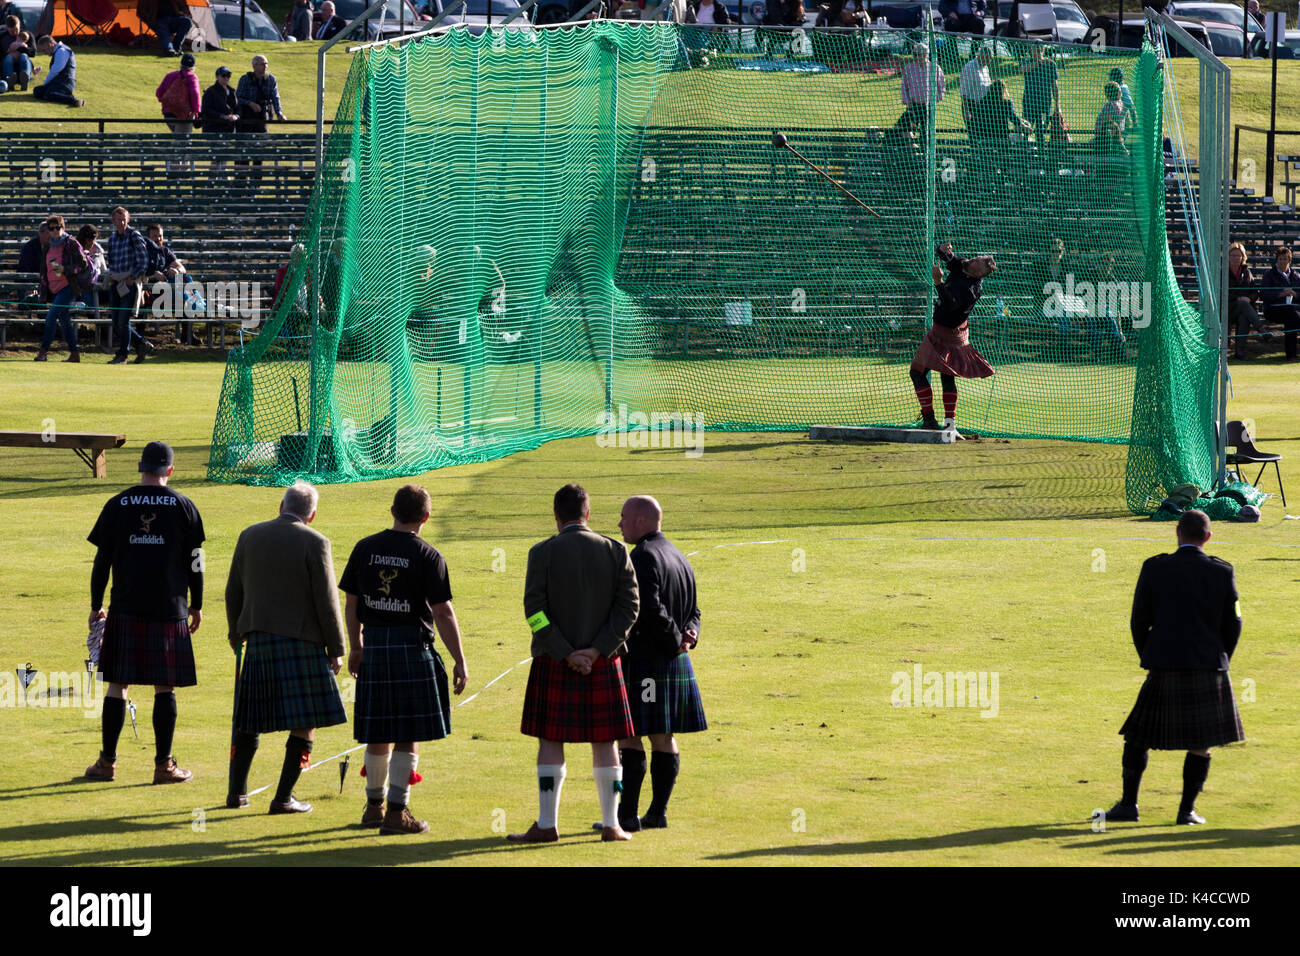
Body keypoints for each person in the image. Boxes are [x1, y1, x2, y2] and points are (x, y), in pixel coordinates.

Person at [508, 483, 640, 844]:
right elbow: (630, 608)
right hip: (603, 663)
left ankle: (547, 824)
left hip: (554, 661)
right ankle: (612, 825)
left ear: (556, 514)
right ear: (588, 513)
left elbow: (534, 612)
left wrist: (564, 652)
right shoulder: (615, 550)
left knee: (550, 739)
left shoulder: (542, 553)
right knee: (606, 742)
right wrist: (597, 651)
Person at [1096, 510, 1243, 826]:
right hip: (1208, 666)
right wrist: (1221, 659)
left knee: (1138, 737)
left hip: (1164, 664)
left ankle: (1129, 806)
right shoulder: (1222, 571)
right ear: (1208, 537)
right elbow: (1234, 623)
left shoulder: (1155, 568)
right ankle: (1186, 811)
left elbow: (1138, 620)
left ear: (1177, 532)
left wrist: (1150, 656)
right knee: (1200, 742)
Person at [341, 484, 469, 836]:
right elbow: (442, 612)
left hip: (375, 647)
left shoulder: (365, 548)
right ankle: (396, 814)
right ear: (426, 517)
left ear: (392, 511)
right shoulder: (428, 555)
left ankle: (374, 808)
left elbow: (352, 604)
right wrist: (459, 659)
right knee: (408, 731)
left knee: (379, 729)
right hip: (412, 648)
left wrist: (356, 646)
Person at [84, 441, 204, 786]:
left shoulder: (117, 503)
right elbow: (196, 562)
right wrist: (196, 604)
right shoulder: (184, 506)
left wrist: (96, 604)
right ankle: (163, 766)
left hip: (125, 607)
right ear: (170, 470)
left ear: (140, 466)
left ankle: (107, 763)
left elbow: (101, 561)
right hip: (169, 608)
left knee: (117, 684)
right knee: (165, 685)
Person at [225, 480, 349, 814]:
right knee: (305, 720)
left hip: (258, 641)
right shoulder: (316, 541)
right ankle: (283, 798)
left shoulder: (249, 535)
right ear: (312, 515)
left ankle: (237, 794)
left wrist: (236, 634)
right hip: (302, 643)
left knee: (249, 719)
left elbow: (233, 590)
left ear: (281, 506)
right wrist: (336, 648)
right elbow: (327, 601)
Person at [608, 496, 705, 832]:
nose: (619, 524)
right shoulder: (678, 555)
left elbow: (649, 608)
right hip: (674, 660)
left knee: (629, 735)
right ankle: (657, 814)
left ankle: (626, 817)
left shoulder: (643, 556)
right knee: (663, 736)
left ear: (641, 520)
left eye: (623, 517)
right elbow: (695, 610)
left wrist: (676, 638)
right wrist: (690, 634)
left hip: (647, 661)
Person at [909, 242, 996, 431]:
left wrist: (938, 281)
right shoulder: (964, 265)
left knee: (924, 373)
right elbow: (949, 258)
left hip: (950, 334)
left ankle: (938, 423)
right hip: (942, 330)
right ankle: (939, 423)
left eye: (978, 261)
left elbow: (950, 305)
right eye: (978, 257)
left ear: (979, 273)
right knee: (934, 375)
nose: (974, 259)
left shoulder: (971, 290)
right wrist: (942, 249)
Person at [35, 214, 89, 363]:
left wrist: (66, 269)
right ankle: (74, 353)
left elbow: (83, 264)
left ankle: (43, 352)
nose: (54, 231)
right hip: (53, 288)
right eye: (51, 228)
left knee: (51, 317)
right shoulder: (48, 245)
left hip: (68, 286)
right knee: (65, 322)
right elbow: (44, 268)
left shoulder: (71, 243)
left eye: (57, 227)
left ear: (63, 227)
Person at [105, 206, 152, 364]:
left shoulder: (134, 235)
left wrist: (133, 277)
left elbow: (143, 260)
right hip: (116, 283)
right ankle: (142, 344)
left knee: (123, 321)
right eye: (118, 219)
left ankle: (123, 355)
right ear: (113, 221)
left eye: (123, 219)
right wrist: (112, 276)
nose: (121, 222)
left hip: (129, 283)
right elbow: (111, 260)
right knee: (116, 322)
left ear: (128, 220)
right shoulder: (112, 238)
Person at [1259, 245, 1300, 361]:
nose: (1282, 261)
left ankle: (1291, 355)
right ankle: (1291, 355)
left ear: (1289, 261)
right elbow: (1263, 295)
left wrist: (1295, 294)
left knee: (1292, 318)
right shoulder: (1269, 275)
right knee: (1293, 316)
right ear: (1276, 260)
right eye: (1280, 259)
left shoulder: (1296, 276)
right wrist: (1280, 294)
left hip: (1293, 310)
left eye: (1285, 259)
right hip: (1273, 309)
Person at [1227, 242, 1267, 359]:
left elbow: (1255, 291)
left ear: (1243, 257)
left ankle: (1239, 351)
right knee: (1242, 304)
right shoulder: (1222, 272)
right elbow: (1219, 292)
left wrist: (1250, 298)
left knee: (1244, 316)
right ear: (1228, 256)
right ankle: (1260, 328)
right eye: (1233, 255)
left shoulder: (1247, 272)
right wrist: (1238, 298)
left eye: (1238, 256)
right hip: (1227, 308)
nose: (1235, 258)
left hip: (1243, 309)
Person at [201, 65, 240, 176]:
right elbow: (206, 110)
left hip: (228, 129)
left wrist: (236, 116)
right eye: (224, 75)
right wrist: (222, 116)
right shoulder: (210, 91)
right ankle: (215, 180)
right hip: (214, 129)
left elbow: (238, 108)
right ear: (217, 76)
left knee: (223, 156)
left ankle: (220, 178)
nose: (226, 78)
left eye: (228, 75)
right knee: (217, 156)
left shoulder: (232, 92)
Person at [898, 42, 943, 134]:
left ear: (925, 55)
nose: (914, 57)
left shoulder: (934, 68)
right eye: (913, 54)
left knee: (926, 132)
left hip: (929, 106)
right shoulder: (909, 68)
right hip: (913, 105)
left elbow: (941, 85)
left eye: (917, 54)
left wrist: (937, 99)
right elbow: (904, 86)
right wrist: (906, 101)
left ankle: (924, 143)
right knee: (907, 129)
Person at [1022, 45, 1059, 145]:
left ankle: (1041, 152)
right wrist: (1039, 62)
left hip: (1044, 104)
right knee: (1026, 129)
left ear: (1044, 49)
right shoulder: (1026, 61)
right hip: (1029, 104)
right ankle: (1026, 151)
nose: (1038, 50)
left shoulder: (1051, 64)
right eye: (1036, 48)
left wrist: (1057, 105)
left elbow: (1054, 86)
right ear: (1031, 49)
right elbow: (1023, 69)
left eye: (1040, 48)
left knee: (1041, 131)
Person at [156, 52, 200, 134]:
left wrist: (169, 103)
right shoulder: (192, 77)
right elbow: (195, 95)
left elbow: (159, 93)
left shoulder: (169, 76)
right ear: (193, 66)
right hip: (184, 115)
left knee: (177, 137)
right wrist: (195, 112)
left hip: (168, 115)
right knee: (183, 140)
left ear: (181, 63)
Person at [32, 36, 82, 107]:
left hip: (66, 82)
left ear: (50, 44)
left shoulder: (62, 51)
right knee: (37, 91)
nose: (44, 52)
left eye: (44, 50)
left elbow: (55, 71)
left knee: (48, 95)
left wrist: (44, 85)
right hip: (59, 81)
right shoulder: (59, 50)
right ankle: (63, 94)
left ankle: (74, 100)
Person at [959, 45, 992, 133]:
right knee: (974, 133)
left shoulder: (985, 68)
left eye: (990, 59)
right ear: (980, 56)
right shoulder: (970, 68)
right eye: (988, 58)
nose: (989, 61)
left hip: (983, 106)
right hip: (972, 105)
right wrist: (966, 111)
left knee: (984, 133)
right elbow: (964, 92)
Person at [2, 15, 35, 91]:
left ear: (19, 25)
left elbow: (33, 52)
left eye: (16, 29)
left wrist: (20, 48)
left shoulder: (27, 35)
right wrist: (9, 53)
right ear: (7, 27)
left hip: (23, 64)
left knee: (23, 56)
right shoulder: (2, 36)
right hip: (7, 65)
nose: (15, 33)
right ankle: (9, 80)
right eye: (12, 31)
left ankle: (25, 79)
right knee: (9, 58)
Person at [1094, 81, 1129, 155]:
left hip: (1106, 139)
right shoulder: (1124, 105)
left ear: (1108, 94)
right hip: (1121, 136)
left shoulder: (1110, 105)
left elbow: (1107, 121)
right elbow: (1127, 123)